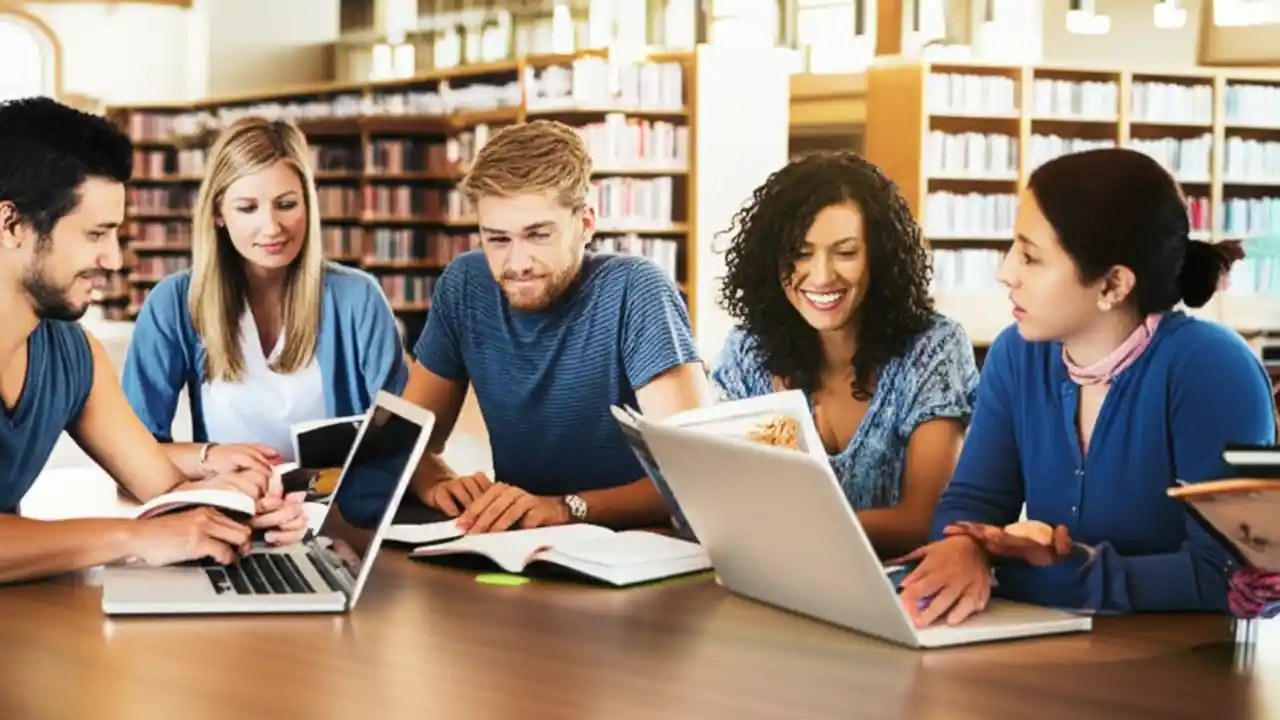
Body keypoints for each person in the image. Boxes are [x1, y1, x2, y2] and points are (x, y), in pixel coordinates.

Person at [896, 148, 1278, 627]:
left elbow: (1237, 575)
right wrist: (964, 546)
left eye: (1031, 257)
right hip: (1050, 650)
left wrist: (1043, 572)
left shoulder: (1214, 369)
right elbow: (973, 503)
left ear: (1113, 285)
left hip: (1187, 667)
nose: (1005, 272)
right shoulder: (1017, 354)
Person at [0, 97, 305, 583]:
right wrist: (133, 537)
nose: (114, 259)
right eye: (96, 234)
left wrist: (241, 509)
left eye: (116, 235)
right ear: (11, 224)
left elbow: (161, 486)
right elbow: (147, 529)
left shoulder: (74, 356)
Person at [402, 119, 709, 533]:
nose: (518, 262)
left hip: (635, 550)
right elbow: (409, 439)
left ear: (585, 223)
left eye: (538, 235)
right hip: (524, 545)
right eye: (497, 239)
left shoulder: (637, 291)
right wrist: (435, 481)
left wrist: (565, 508)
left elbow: (695, 477)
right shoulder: (465, 286)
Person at [710, 151, 979, 558]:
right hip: (773, 580)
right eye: (801, 252)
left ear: (879, 256)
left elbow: (923, 519)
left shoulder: (933, 348)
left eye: (846, 252)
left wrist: (783, 529)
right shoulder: (747, 350)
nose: (821, 276)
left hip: (898, 594)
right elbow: (727, 499)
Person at [122, 117, 406, 477]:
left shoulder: (358, 299)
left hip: (338, 513)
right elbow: (131, 450)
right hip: (231, 506)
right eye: (247, 208)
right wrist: (209, 457)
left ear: (308, 204)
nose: (272, 227)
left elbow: (400, 436)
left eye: (286, 204)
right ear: (217, 213)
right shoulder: (174, 303)